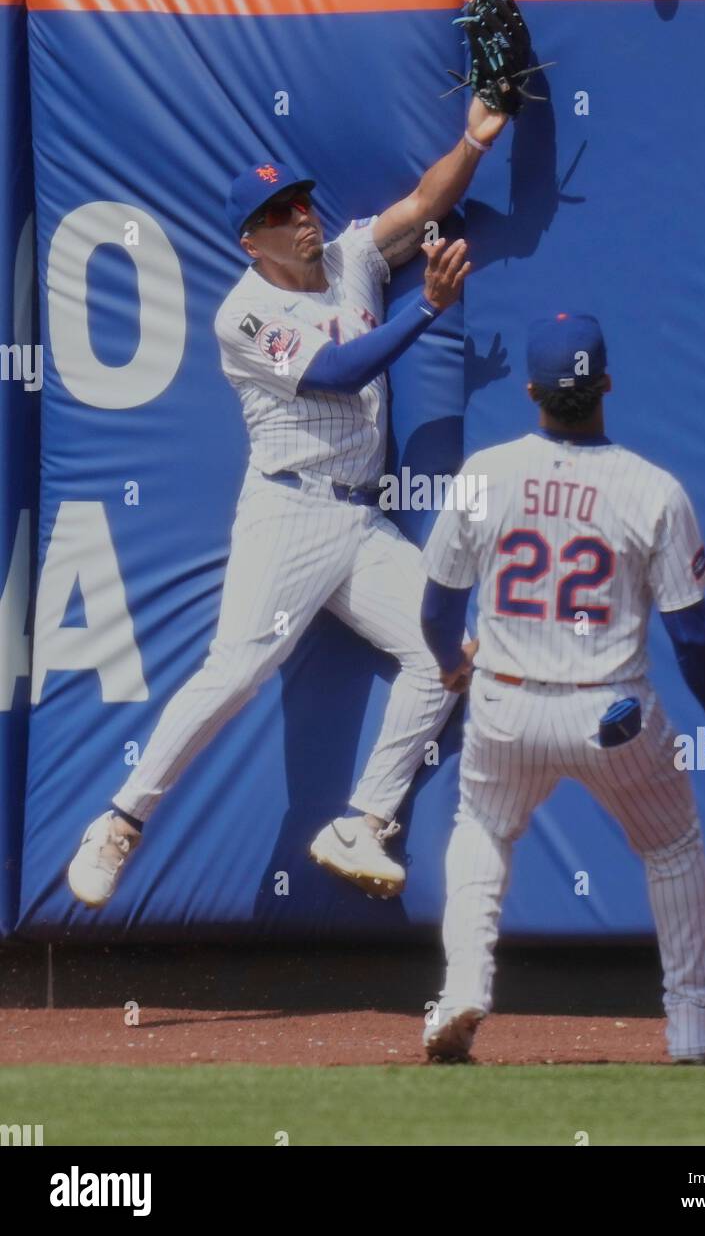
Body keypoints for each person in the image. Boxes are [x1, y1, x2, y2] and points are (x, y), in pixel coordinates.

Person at [67, 95, 508, 909]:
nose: (299, 216)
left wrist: (475, 140)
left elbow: (423, 203)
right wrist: (430, 309)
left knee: (448, 653)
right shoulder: (244, 314)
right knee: (236, 671)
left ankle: (364, 822)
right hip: (288, 510)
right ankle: (120, 823)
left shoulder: (351, 258)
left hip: (358, 520)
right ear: (251, 240)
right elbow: (340, 372)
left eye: (300, 199)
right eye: (278, 211)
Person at [419, 312, 705, 1064]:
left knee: (481, 829)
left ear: (531, 391)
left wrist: (449, 660)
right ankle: (694, 1025)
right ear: (606, 385)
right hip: (613, 713)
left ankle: (465, 986)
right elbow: (694, 636)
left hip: (505, 701)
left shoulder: (485, 474)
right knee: (672, 846)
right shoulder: (652, 489)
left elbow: (438, 604)